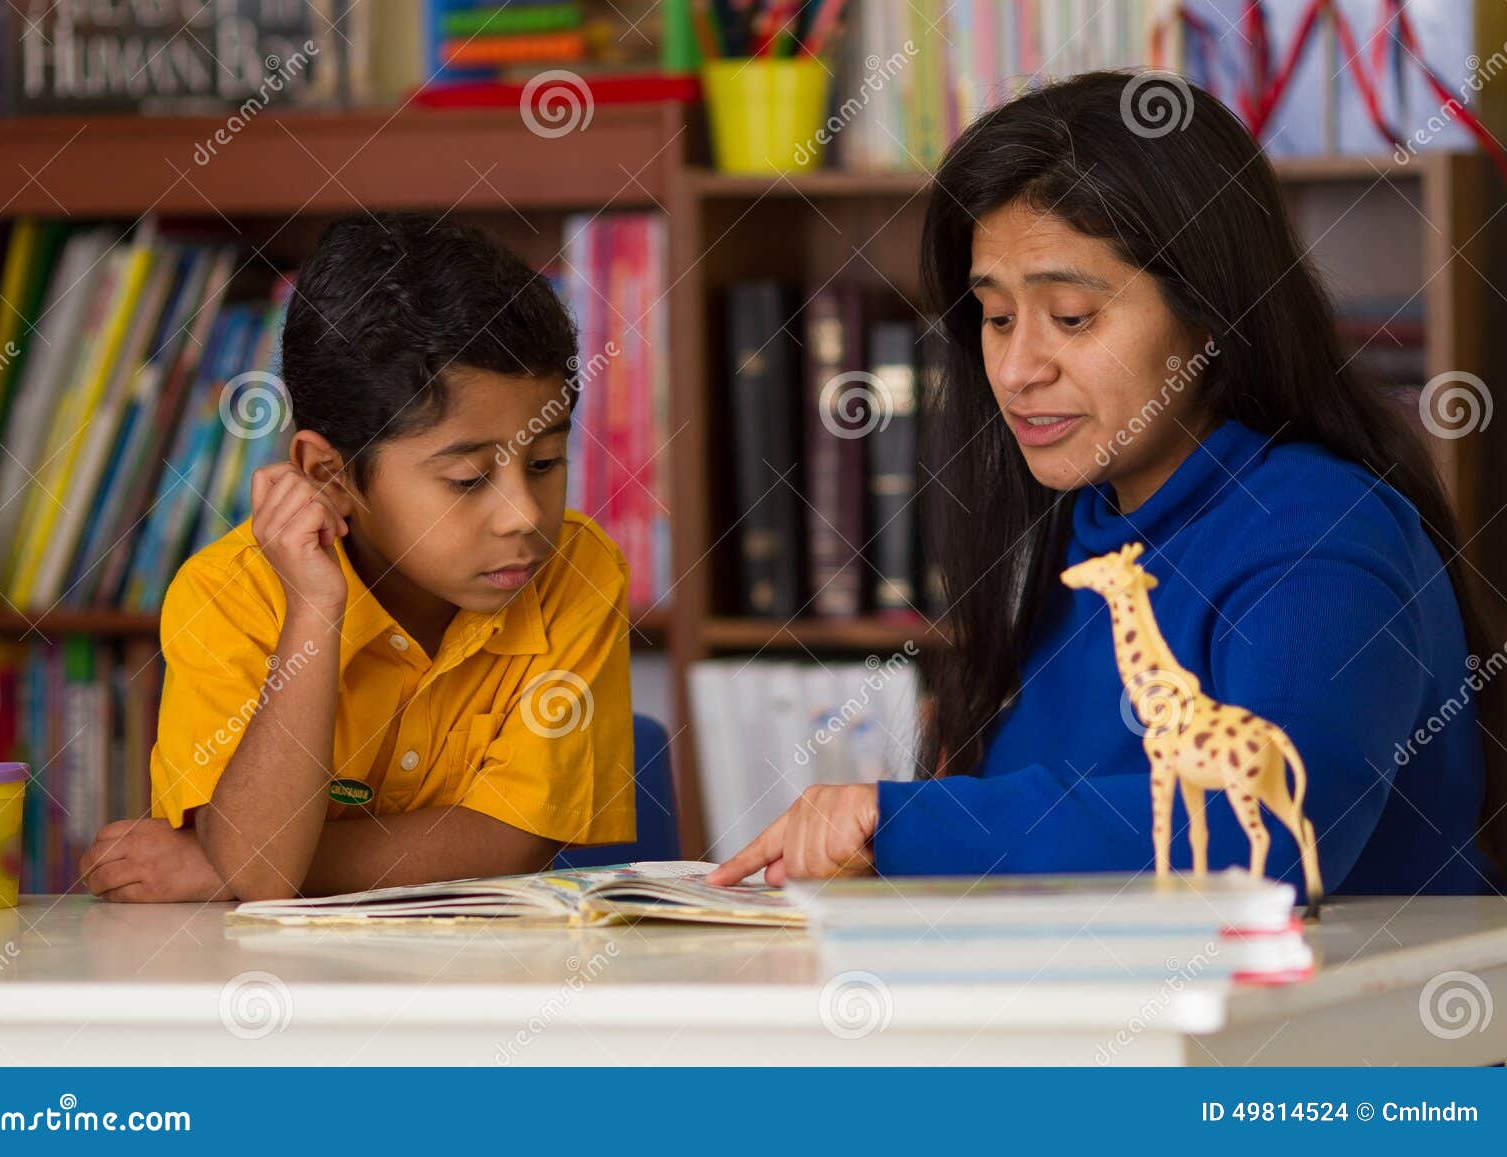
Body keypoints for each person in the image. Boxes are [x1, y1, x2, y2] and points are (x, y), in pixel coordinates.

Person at [709, 71, 1507, 902]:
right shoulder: (1073, 531)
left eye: (1072, 316)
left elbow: (1270, 836)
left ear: (1209, 314)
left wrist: (909, 823)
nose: (1017, 370)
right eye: (997, 318)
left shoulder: (1322, 533)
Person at [81, 213, 635, 902]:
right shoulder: (227, 594)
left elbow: (514, 839)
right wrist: (314, 610)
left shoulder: (578, 573)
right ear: (330, 475)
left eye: (545, 461)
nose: (524, 514)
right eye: (468, 479)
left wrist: (213, 864)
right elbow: (262, 869)